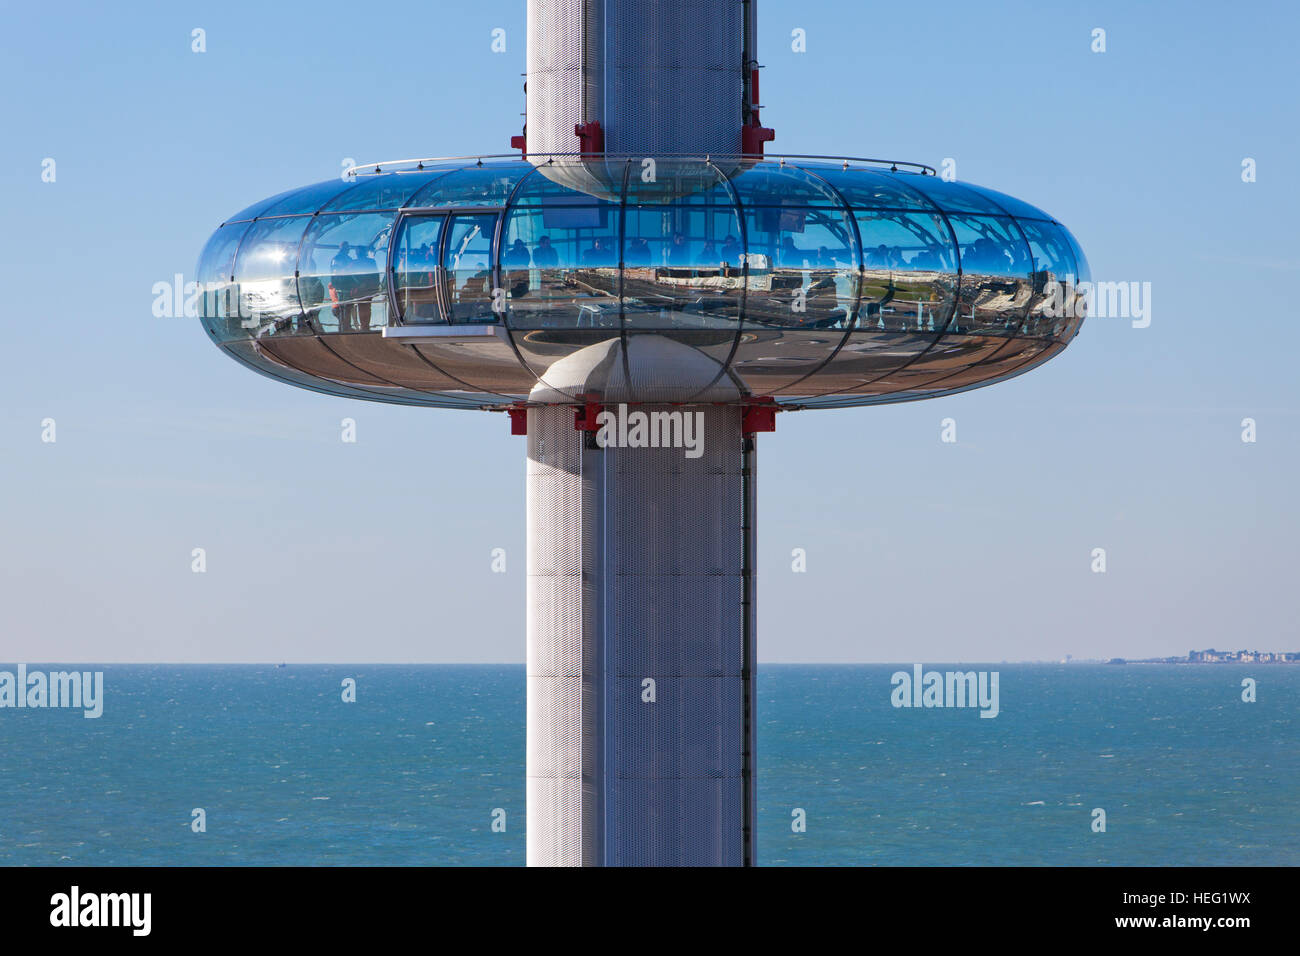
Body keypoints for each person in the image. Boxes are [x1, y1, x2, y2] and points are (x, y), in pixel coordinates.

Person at [330, 241, 356, 330]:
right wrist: (348, 268)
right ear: (342, 248)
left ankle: (345, 326)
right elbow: (336, 272)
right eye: (346, 247)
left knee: (346, 307)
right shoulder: (338, 259)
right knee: (344, 307)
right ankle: (344, 327)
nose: (348, 249)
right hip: (342, 286)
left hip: (345, 286)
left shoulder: (345, 258)